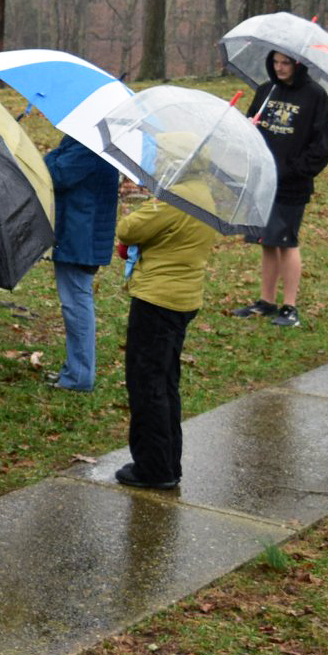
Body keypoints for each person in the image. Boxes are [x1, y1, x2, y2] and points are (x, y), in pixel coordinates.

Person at [113, 181, 219, 489]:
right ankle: (168, 462)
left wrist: (149, 204)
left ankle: (153, 468)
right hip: (183, 297)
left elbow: (128, 229)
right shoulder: (203, 193)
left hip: (158, 299)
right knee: (166, 382)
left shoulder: (175, 197)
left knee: (147, 383)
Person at [230, 51, 328, 328]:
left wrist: (294, 170)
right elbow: (250, 127)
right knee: (266, 240)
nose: (279, 68)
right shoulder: (267, 90)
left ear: (297, 64)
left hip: (292, 183)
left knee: (286, 241)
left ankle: (290, 306)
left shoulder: (315, 96)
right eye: (275, 63)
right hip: (263, 180)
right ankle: (266, 301)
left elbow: (321, 147)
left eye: (285, 63)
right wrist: (248, 127)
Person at [44, 135, 119, 392]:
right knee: (75, 302)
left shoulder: (88, 144)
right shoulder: (95, 141)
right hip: (80, 233)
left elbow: (56, 174)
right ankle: (75, 370)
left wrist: (52, 154)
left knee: (75, 305)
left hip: (79, 236)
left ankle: (79, 376)